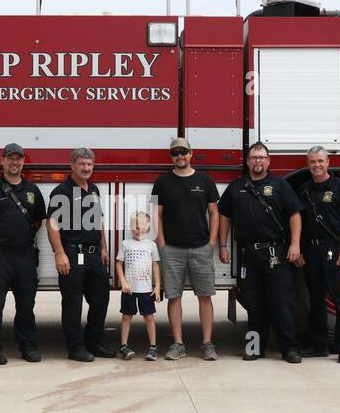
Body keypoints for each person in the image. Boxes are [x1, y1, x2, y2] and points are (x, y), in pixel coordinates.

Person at [217, 141, 304, 363]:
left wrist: (295, 245)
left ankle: (289, 349)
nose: (257, 161)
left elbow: (295, 214)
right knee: (254, 305)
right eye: (254, 157)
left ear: (268, 161)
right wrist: (223, 245)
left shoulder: (280, 185)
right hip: (248, 255)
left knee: (281, 303)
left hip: (275, 253)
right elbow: (224, 215)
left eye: (261, 157)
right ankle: (255, 347)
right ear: (247, 161)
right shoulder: (236, 187)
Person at [0, 143, 46, 365]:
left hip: (24, 254)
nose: (14, 163)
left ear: (23, 162)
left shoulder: (32, 191)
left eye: (18, 159)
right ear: (2, 161)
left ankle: (28, 346)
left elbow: (38, 220)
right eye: (10, 158)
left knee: (26, 305)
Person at [152, 137, 220, 361]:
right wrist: (161, 244)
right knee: (174, 297)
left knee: (205, 296)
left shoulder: (206, 181)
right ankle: (178, 344)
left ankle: (207, 343)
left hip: (201, 247)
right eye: (175, 153)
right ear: (171, 157)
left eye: (184, 152)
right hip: (171, 249)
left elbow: (214, 214)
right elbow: (156, 215)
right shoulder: (161, 182)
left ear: (191, 154)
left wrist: (211, 243)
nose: (180, 156)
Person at [47, 147, 114, 362]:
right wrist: (59, 253)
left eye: (89, 164)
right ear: (72, 166)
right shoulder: (61, 192)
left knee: (100, 300)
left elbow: (99, 221)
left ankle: (94, 343)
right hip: (73, 254)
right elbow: (52, 224)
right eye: (82, 164)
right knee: (73, 303)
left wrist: (103, 247)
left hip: (94, 255)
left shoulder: (93, 189)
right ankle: (75, 348)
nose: (86, 168)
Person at [298, 146, 340, 363]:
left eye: (320, 161)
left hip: (335, 251)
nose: (316, 165)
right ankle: (319, 346)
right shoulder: (304, 190)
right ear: (308, 164)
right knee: (315, 302)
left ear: (328, 163)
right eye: (313, 162)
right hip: (311, 252)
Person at [116, 211, 162, 361]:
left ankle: (153, 348)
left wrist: (157, 286)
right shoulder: (125, 244)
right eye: (135, 226)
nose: (139, 229)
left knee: (148, 316)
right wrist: (122, 281)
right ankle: (124, 346)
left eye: (142, 226)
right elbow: (118, 263)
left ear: (148, 228)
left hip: (146, 289)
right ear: (130, 227)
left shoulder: (151, 245)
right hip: (129, 289)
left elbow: (155, 266)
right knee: (126, 316)